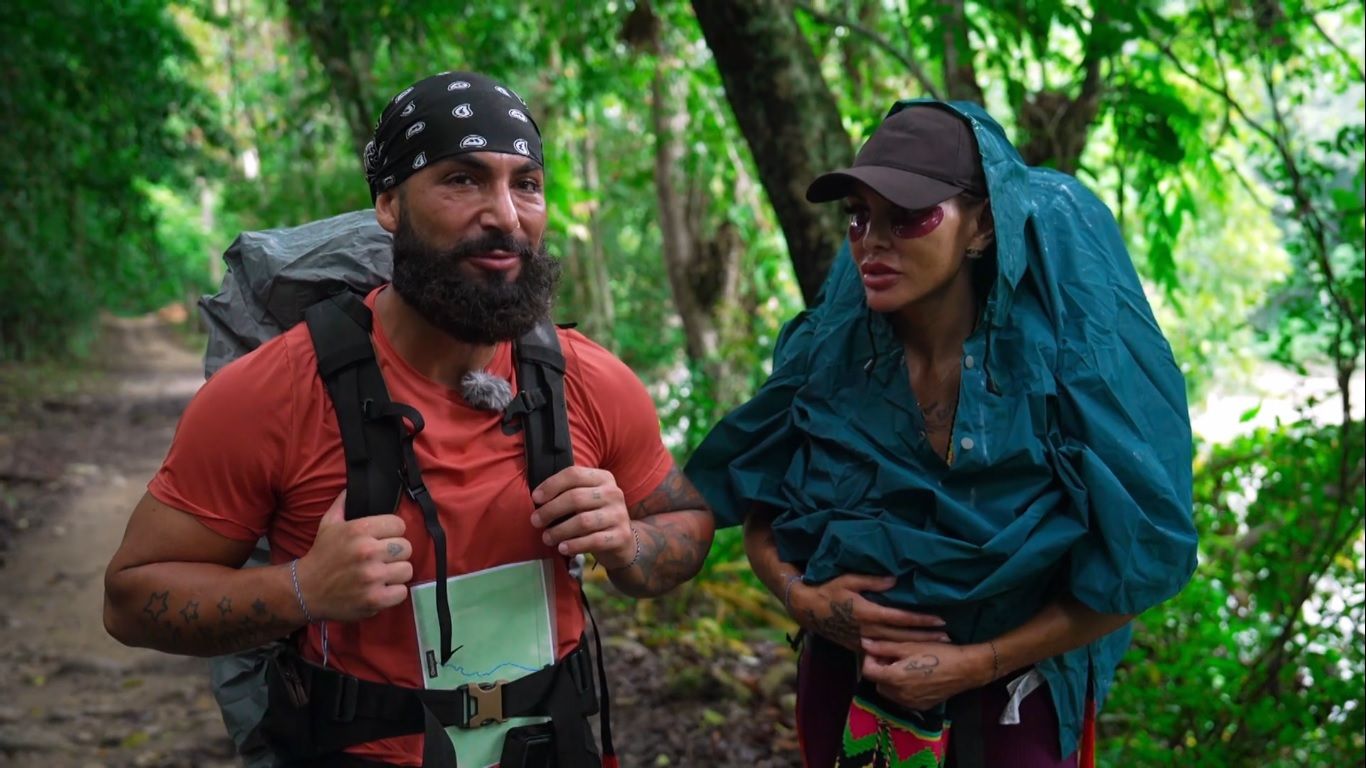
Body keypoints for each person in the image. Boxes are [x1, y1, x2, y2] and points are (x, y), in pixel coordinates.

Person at [103, 71, 715, 768]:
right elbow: (129, 598)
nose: (506, 216)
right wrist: (299, 590)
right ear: (389, 204)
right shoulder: (276, 393)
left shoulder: (588, 380)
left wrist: (629, 544)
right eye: (463, 180)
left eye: (527, 184)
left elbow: (688, 525)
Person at [685, 101, 1197, 768]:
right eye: (860, 217)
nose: (874, 240)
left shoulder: (1060, 379)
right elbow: (762, 512)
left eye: (910, 216)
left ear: (982, 226)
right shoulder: (834, 361)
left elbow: (1138, 567)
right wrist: (803, 601)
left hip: (1012, 703)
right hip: (845, 693)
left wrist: (975, 662)